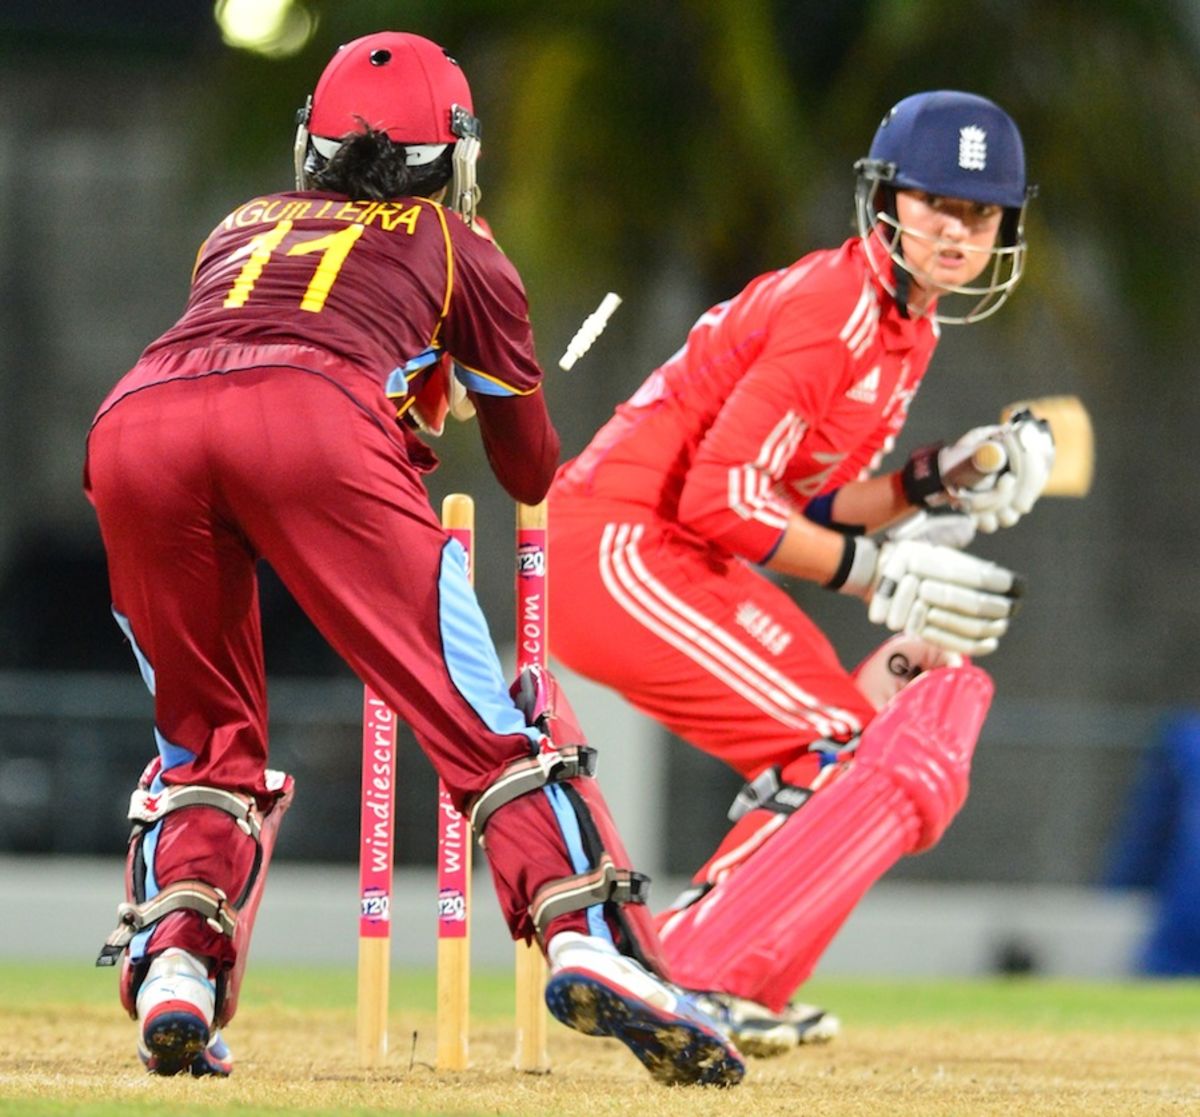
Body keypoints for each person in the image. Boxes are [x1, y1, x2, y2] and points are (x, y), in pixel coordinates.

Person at [84, 31, 744, 1087]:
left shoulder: (238, 223)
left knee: (203, 738)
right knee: (481, 716)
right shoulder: (459, 246)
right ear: (457, 153)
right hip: (312, 423)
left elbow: (275, 326)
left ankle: (176, 969)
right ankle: (588, 939)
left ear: (315, 140)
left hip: (136, 426)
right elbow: (529, 468)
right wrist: (473, 381)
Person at [546, 90, 1056, 1056]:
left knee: (858, 751)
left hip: (673, 545)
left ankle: (733, 977)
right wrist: (876, 576)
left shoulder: (906, 327)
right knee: (827, 740)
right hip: (619, 541)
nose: (954, 228)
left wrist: (943, 476)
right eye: (934, 201)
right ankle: (684, 973)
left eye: (978, 212)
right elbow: (720, 501)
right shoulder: (835, 307)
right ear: (886, 200)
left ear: (1004, 228)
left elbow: (803, 502)